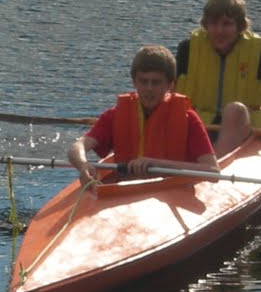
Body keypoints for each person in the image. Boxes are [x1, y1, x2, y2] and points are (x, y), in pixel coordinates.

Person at [68, 45, 218, 188]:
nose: (149, 89)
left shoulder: (188, 118)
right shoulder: (114, 115)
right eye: (143, 81)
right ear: (134, 81)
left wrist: (157, 164)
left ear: (170, 85)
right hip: (126, 189)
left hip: (172, 188)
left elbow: (212, 172)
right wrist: (82, 164)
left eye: (156, 82)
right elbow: (77, 147)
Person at [175, 0, 261, 157]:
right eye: (213, 24)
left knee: (234, 111)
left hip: (243, 124)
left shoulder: (258, 53)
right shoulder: (188, 48)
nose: (219, 31)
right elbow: (168, 86)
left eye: (226, 24)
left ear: (239, 26)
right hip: (200, 122)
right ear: (205, 24)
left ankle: (212, 167)